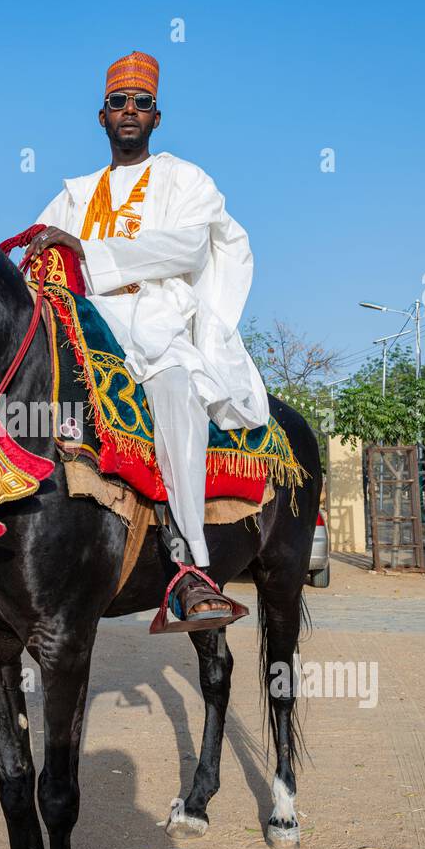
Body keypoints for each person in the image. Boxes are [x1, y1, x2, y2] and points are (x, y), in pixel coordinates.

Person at [30, 50, 269, 624]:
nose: (129, 111)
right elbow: (38, 249)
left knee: (178, 392)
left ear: (156, 118)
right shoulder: (74, 194)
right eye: (118, 102)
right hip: (81, 330)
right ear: (102, 117)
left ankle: (190, 565)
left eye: (142, 103)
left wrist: (89, 249)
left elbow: (188, 248)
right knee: (10, 392)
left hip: (157, 327)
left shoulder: (184, 179)